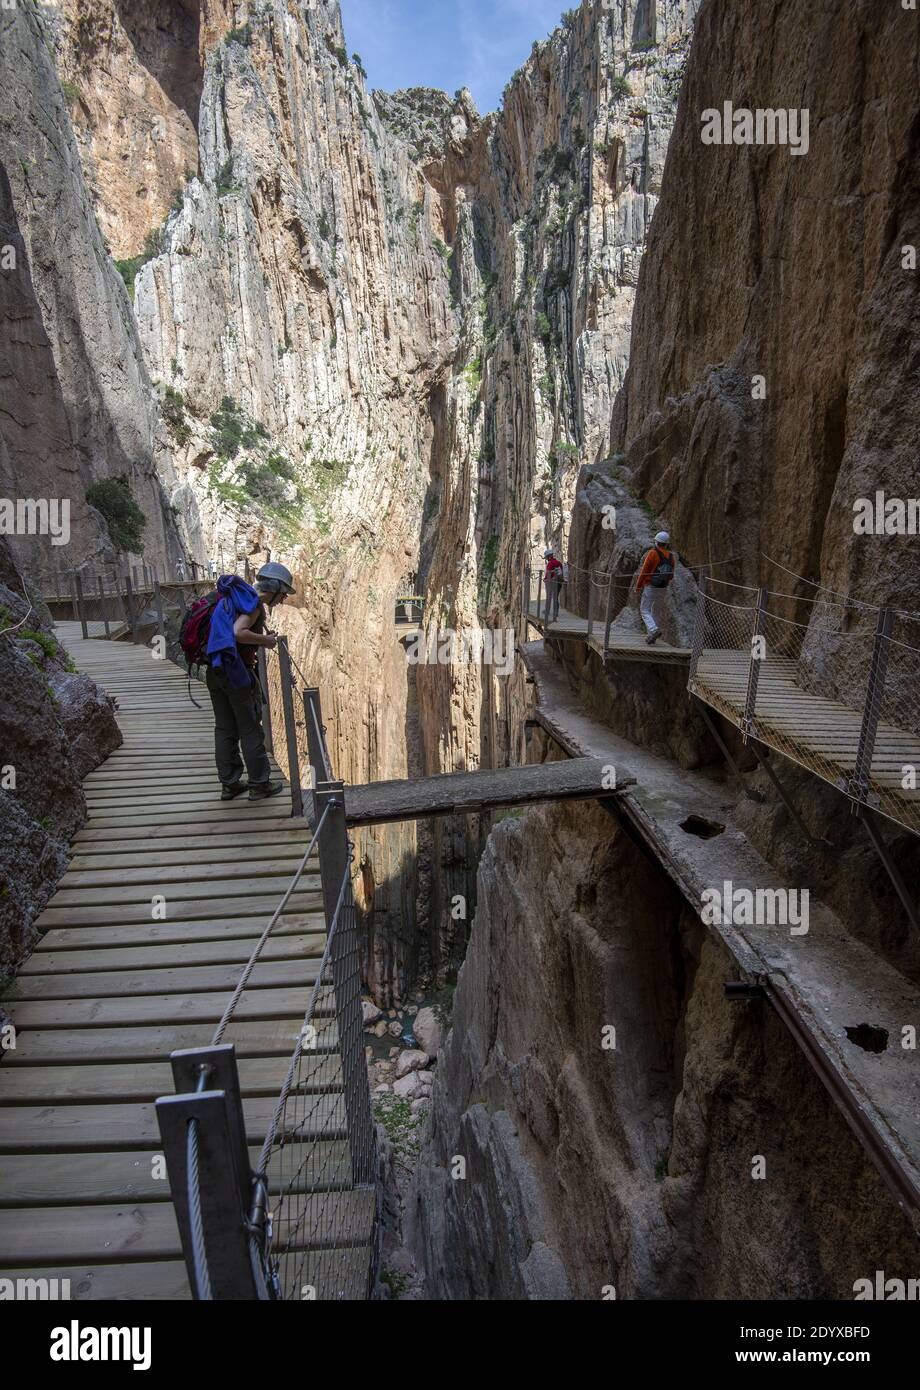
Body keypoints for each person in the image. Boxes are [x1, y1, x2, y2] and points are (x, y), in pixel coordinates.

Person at [205, 562, 296, 801]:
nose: (283, 599)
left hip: (215, 670)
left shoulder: (237, 597)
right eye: (284, 593)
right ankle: (259, 784)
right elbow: (238, 632)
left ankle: (229, 783)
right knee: (249, 728)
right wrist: (265, 641)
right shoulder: (253, 603)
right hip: (235, 673)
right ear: (274, 588)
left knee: (224, 727)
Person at [635, 531, 675, 645]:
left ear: (656, 542)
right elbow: (671, 575)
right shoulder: (671, 557)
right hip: (663, 587)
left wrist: (638, 585)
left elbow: (644, 571)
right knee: (656, 611)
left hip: (651, 586)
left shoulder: (653, 553)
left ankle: (653, 630)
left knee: (644, 610)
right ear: (666, 544)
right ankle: (651, 636)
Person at [544, 547, 563, 622]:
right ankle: (556, 612)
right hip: (559, 582)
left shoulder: (550, 563)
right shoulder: (559, 563)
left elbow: (548, 573)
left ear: (548, 557)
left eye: (546, 557)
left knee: (549, 597)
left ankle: (547, 611)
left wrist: (545, 580)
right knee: (556, 597)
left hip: (551, 583)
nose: (546, 559)